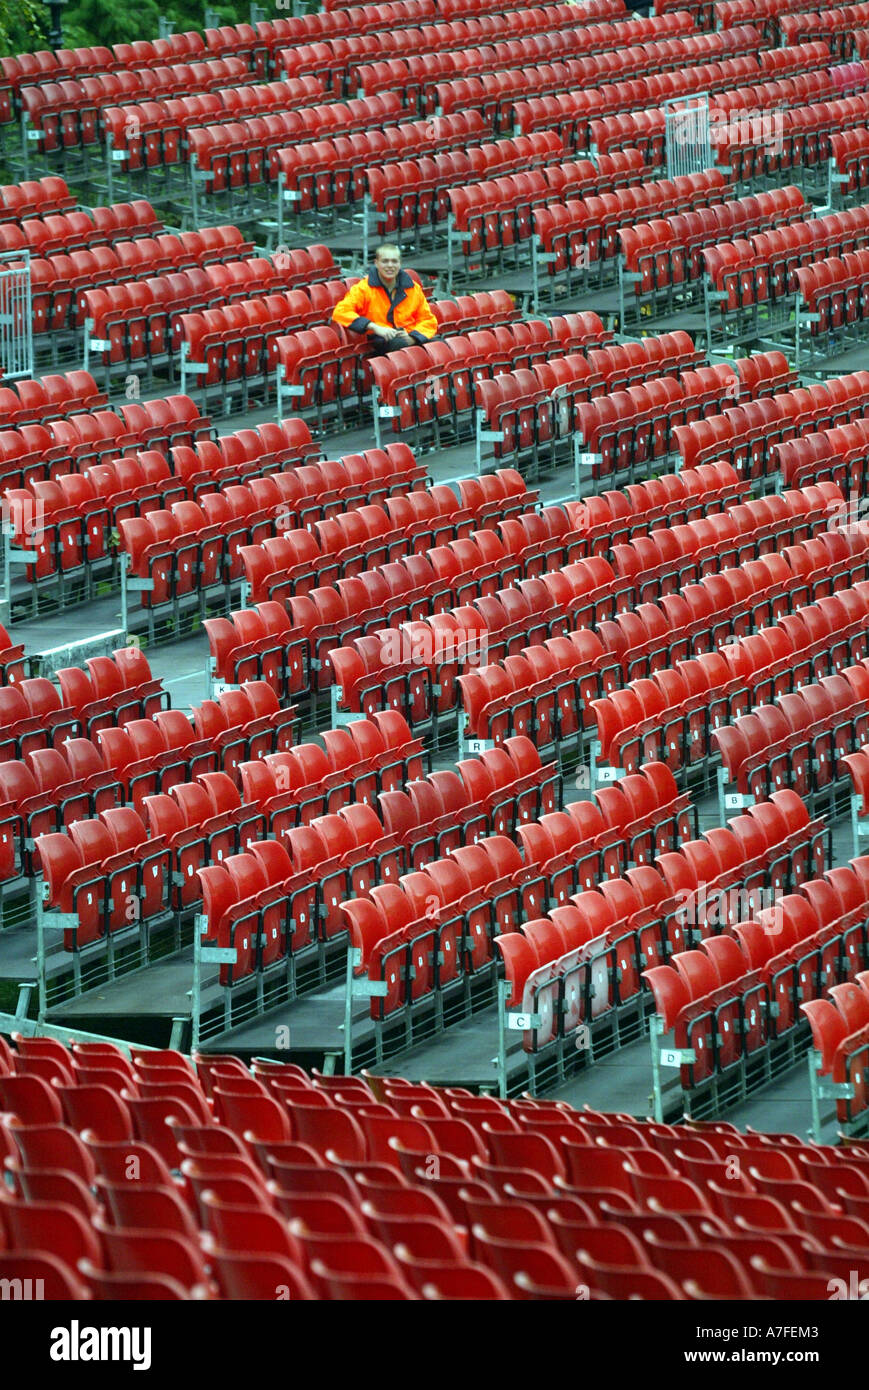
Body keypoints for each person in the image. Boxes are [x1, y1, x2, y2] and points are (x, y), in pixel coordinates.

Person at [332, 243, 439, 353]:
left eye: (394, 261)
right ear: (376, 263)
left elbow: (428, 320)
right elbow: (340, 312)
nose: (390, 265)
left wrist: (413, 337)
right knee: (399, 345)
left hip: (408, 335)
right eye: (385, 261)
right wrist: (374, 327)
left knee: (440, 346)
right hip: (381, 339)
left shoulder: (413, 288)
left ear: (400, 264)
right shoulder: (364, 288)